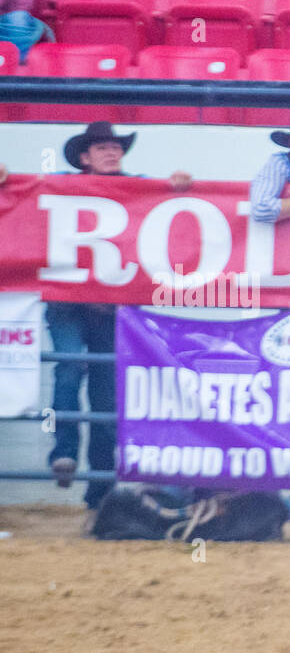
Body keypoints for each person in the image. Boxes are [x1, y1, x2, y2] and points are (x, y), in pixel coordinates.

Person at [46, 123, 192, 530]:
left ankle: (99, 492)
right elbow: (29, 189)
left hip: (107, 306)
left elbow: (168, 189)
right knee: (70, 365)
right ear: (85, 158)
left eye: (115, 147)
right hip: (70, 302)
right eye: (102, 148)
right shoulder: (58, 186)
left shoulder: (139, 187)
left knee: (107, 400)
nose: (111, 153)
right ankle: (66, 453)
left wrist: (178, 183)